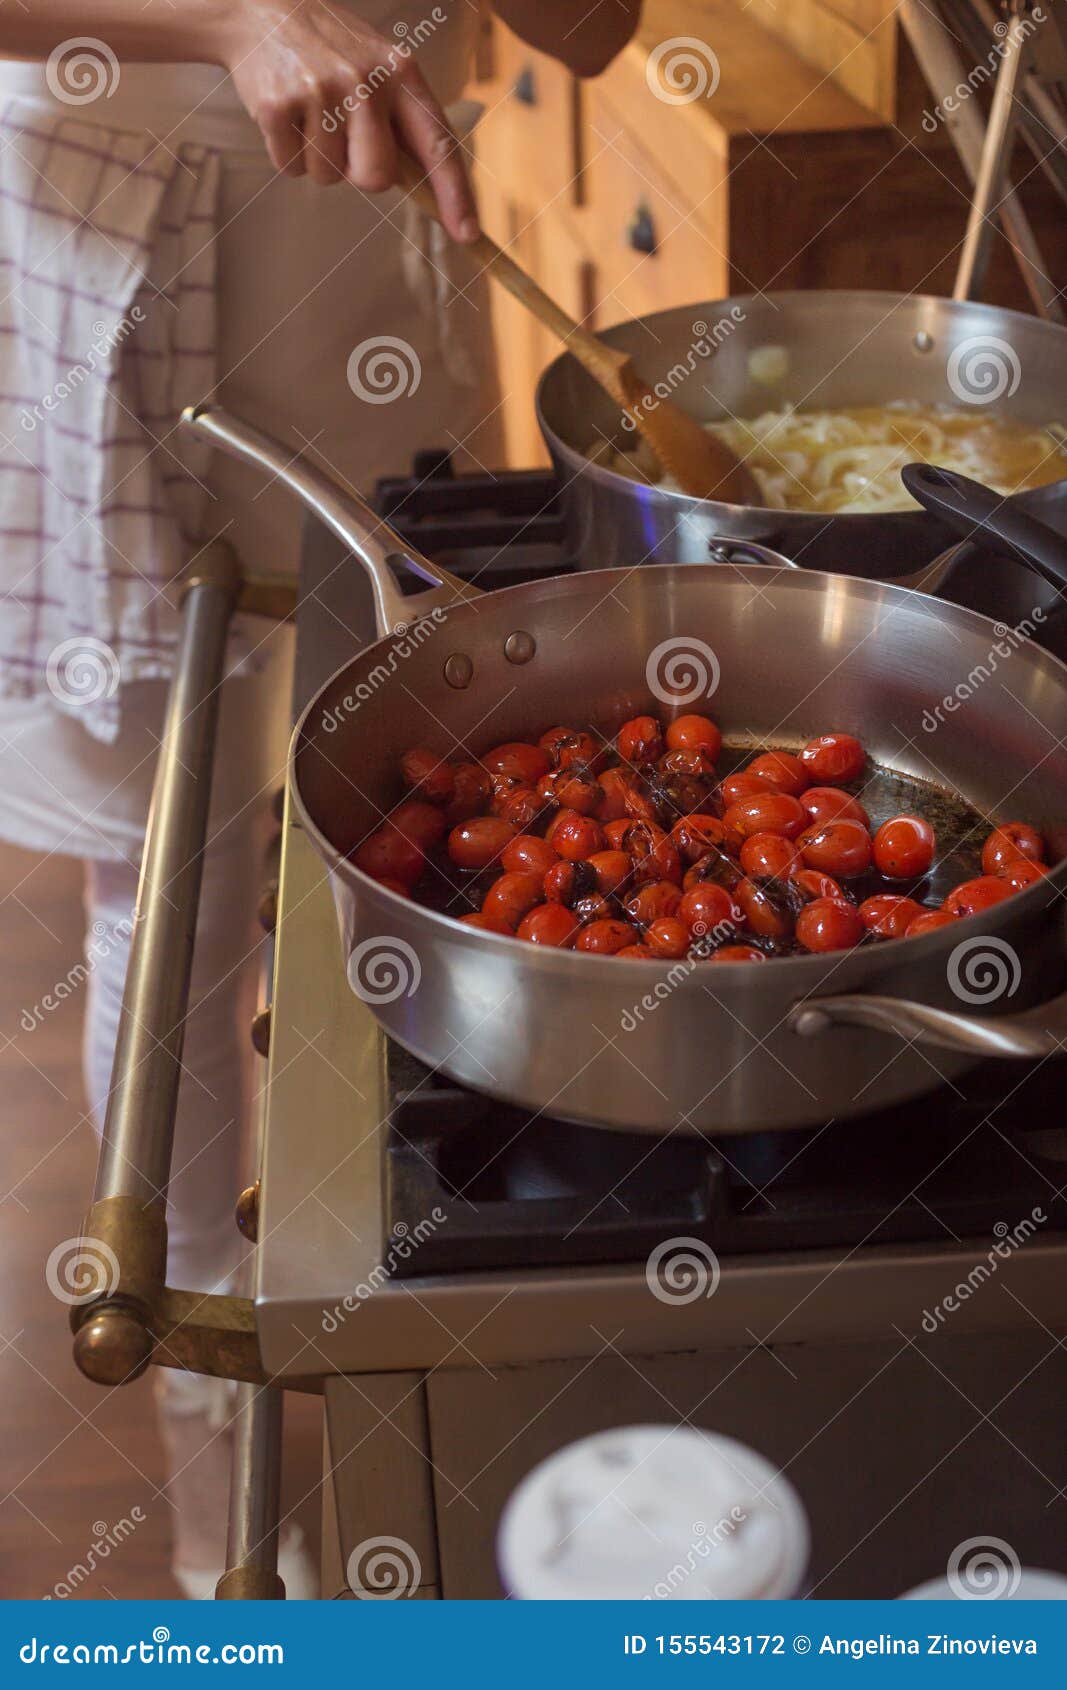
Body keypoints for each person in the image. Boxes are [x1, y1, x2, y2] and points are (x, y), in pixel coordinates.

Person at [0, 0, 642, 1598]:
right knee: (175, 895)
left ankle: (448, 1375)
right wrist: (231, 18)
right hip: (109, 251)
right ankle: (218, 1469)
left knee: (433, 823)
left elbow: (597, 33)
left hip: (375, 258)